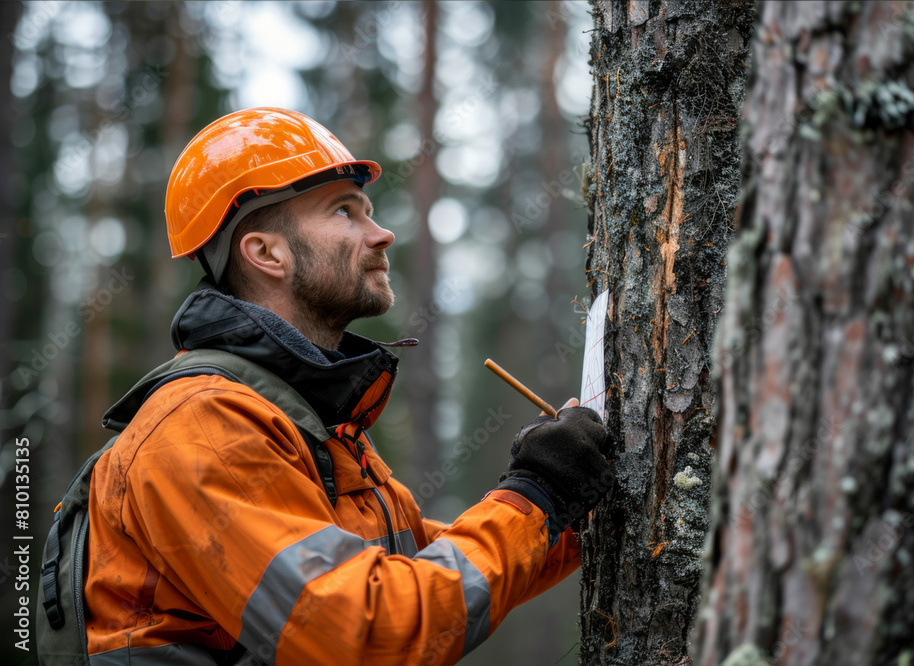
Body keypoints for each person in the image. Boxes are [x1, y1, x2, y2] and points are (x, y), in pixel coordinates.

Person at [83, 107, 614, 665]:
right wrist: (537, 492)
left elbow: (424, 568)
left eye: (370, 210)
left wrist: (564, 504)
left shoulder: (302, 418)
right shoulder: (200, 427)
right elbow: (368, 631)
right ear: (267, 253)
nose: (382, 233)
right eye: (344, 211)